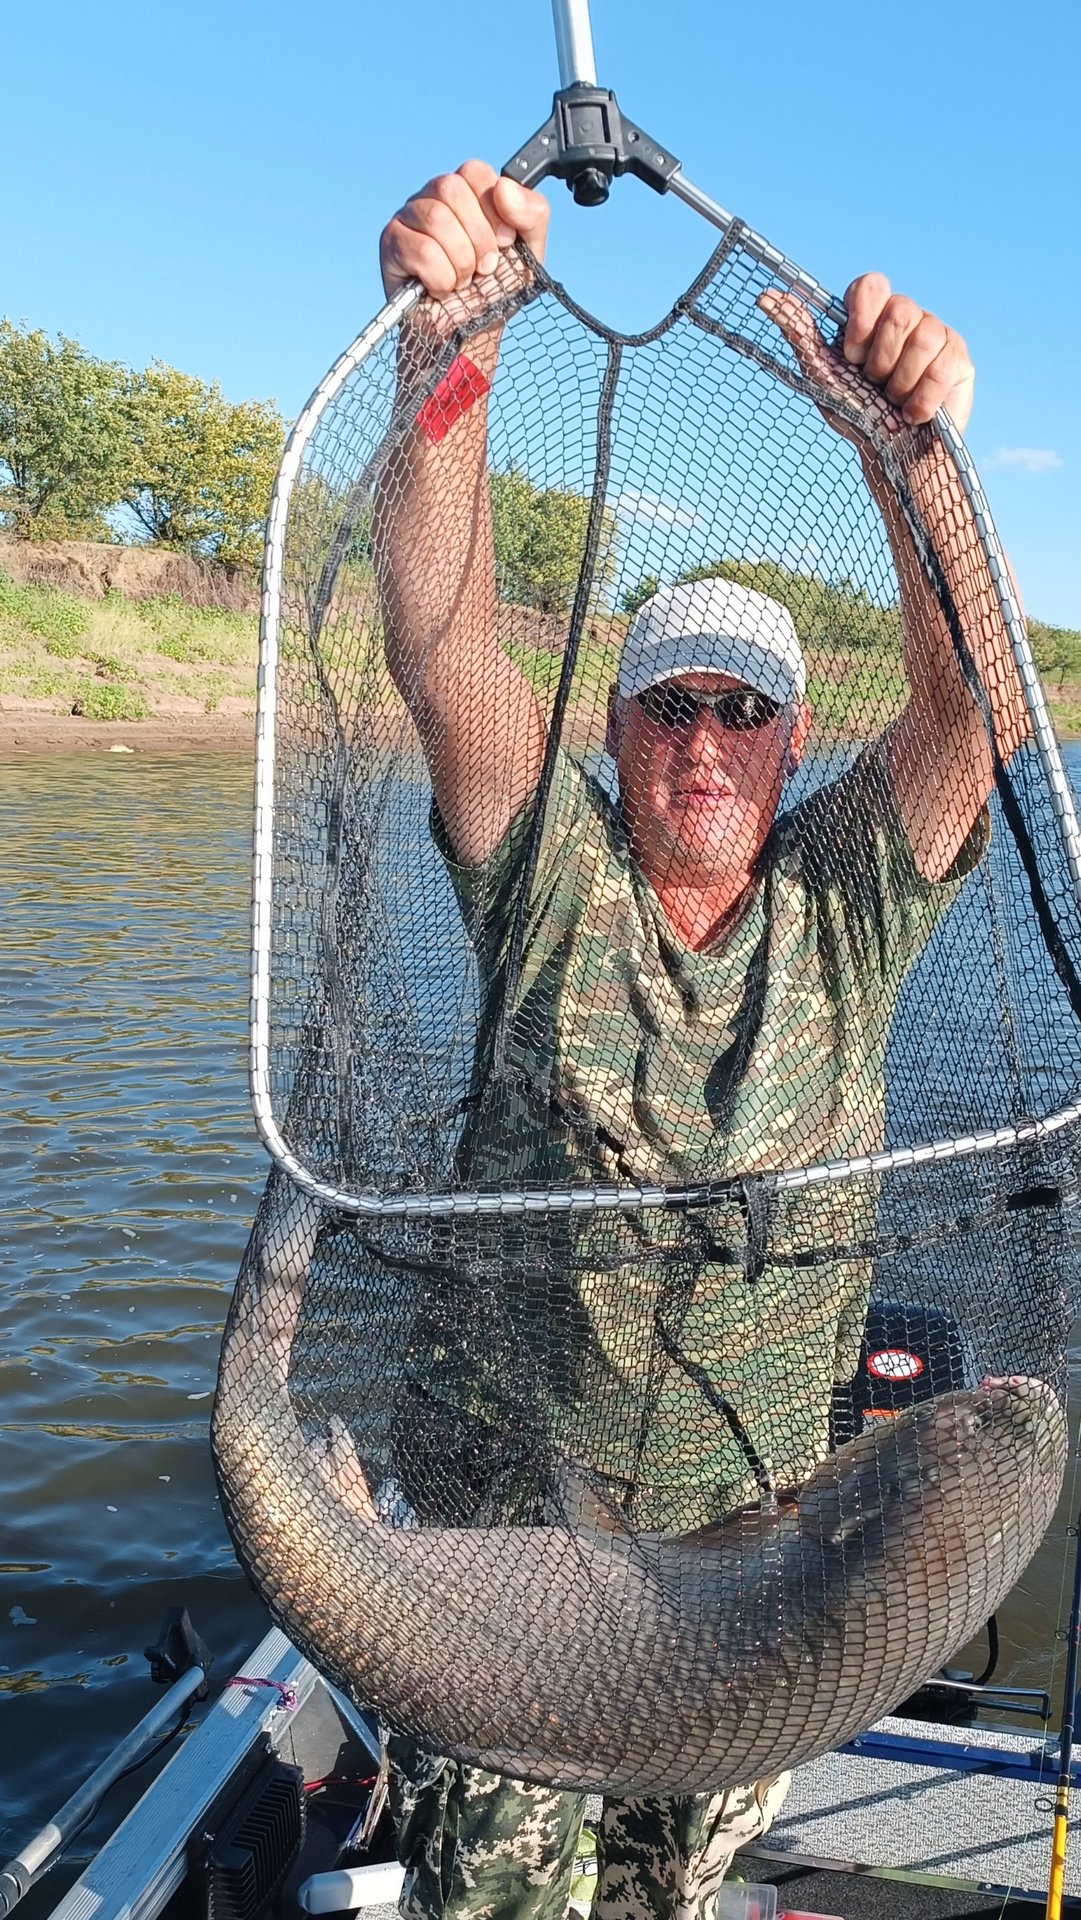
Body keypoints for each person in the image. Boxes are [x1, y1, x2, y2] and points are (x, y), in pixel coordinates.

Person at [372, 160, 1029, 1920]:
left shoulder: (846, 902)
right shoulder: (549, 870)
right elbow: (441, 649)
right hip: (508, 1558)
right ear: (615, 726)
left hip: (756, 1567)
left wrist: (912, 456)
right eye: (671, 705)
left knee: (674, 1893)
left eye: (745, 709)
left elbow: (970, 705)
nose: (706, 742)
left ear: (794, 739)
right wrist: (451, 354)